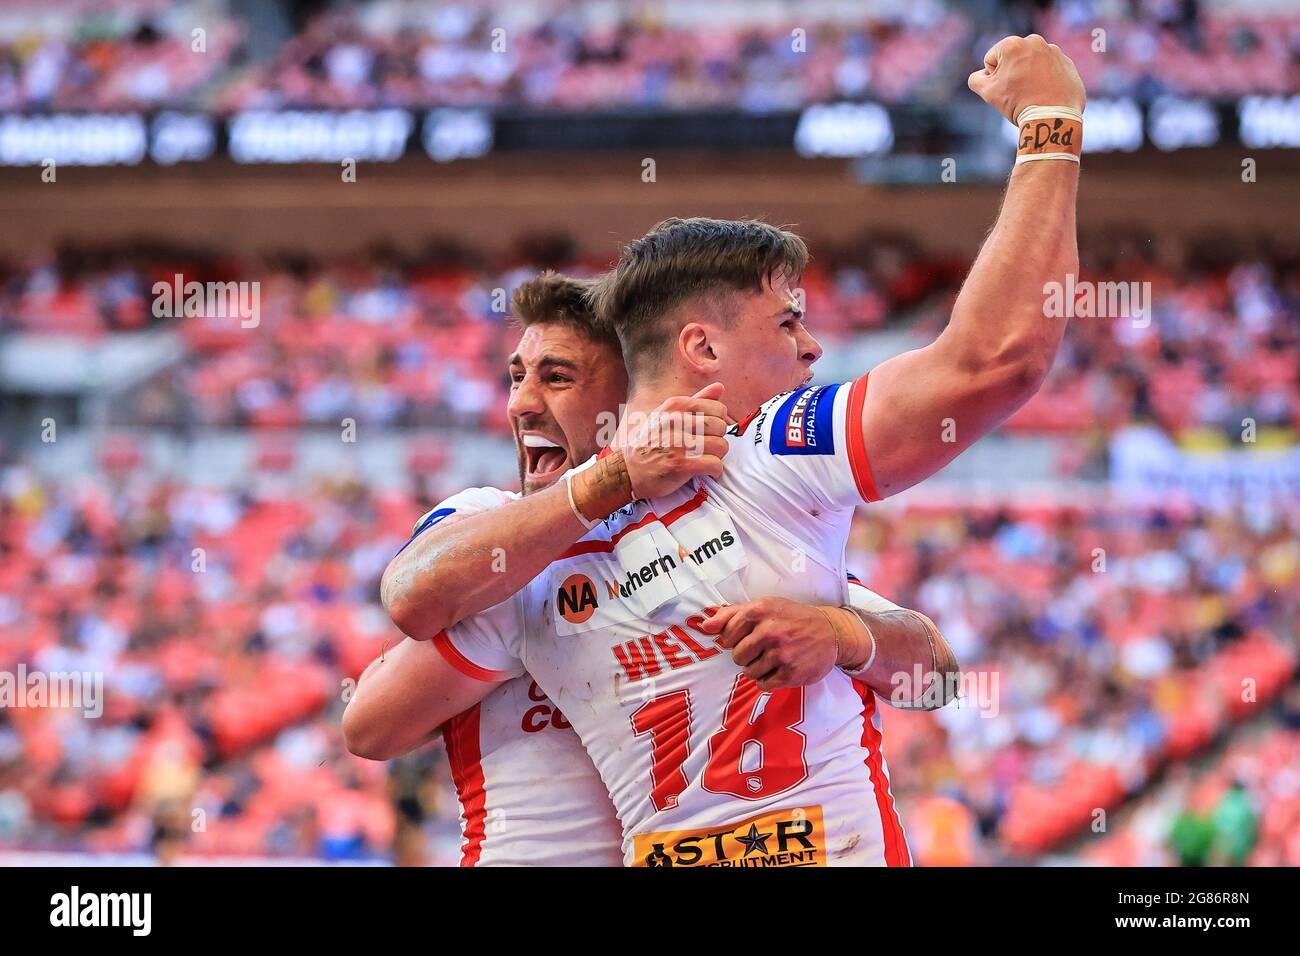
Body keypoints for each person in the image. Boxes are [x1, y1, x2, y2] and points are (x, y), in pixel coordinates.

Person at [378, 35, 1082, 866]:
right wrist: (1052, 124)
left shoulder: (768, 454)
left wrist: (846, 635)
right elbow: (390, 663)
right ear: (702, 350)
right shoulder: (538, 536)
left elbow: (936, 679)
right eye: (788, 322)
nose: (813, 348)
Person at [346, 273, 954, 866]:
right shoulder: (504, 543)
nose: (521, 403)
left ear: (631, 393)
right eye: (516, 378)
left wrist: (845, 635)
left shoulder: (734, 519)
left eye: (557, 378)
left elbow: (937, 680)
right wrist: (607, 484)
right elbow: (377, 704)